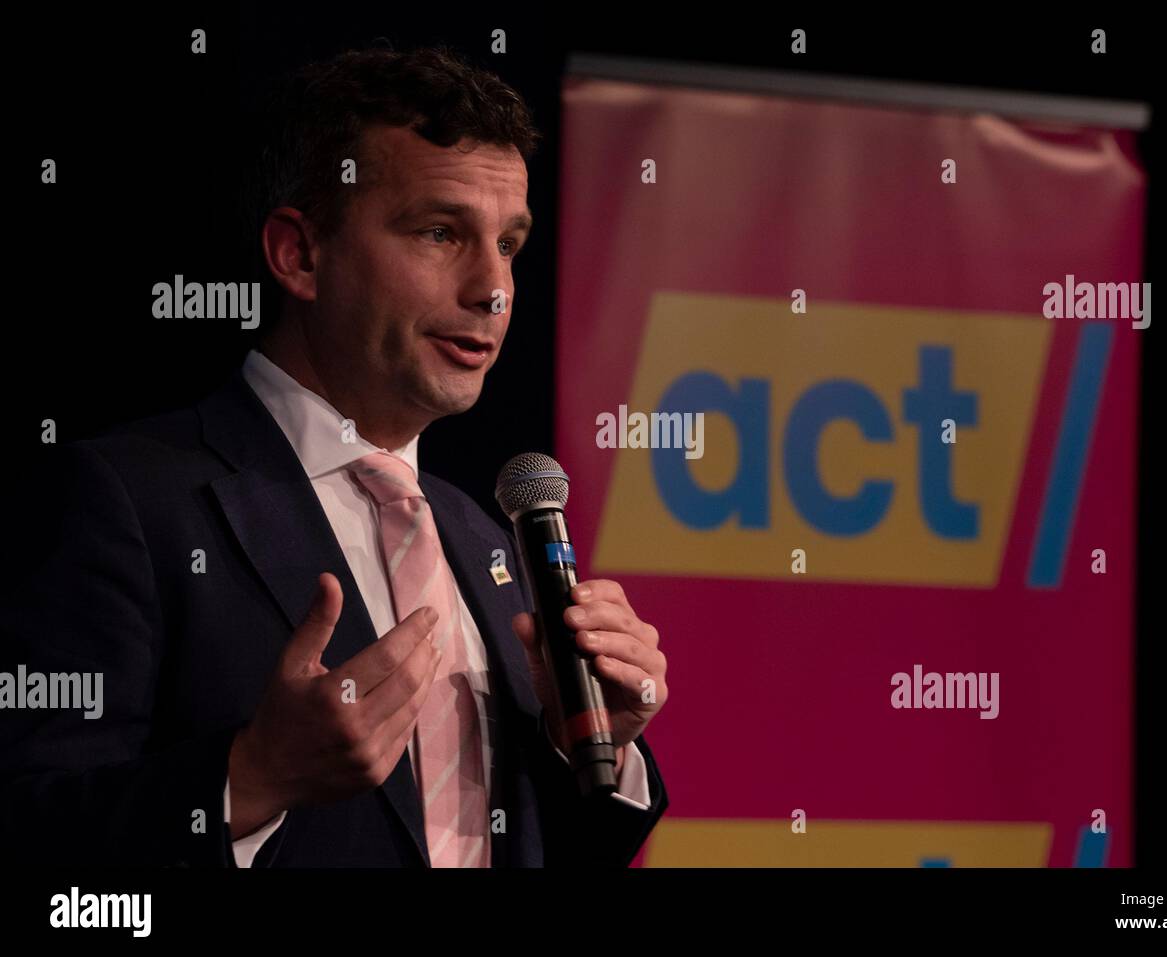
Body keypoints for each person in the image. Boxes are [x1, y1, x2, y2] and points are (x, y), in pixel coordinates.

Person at [0, 45, 669, 867]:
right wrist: (249, 778)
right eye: (440, 232)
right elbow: (35, 838)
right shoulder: (124, 503)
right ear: (300, 255)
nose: (492, 288)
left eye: (509, 246)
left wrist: (596, 748)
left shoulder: (492, 546)